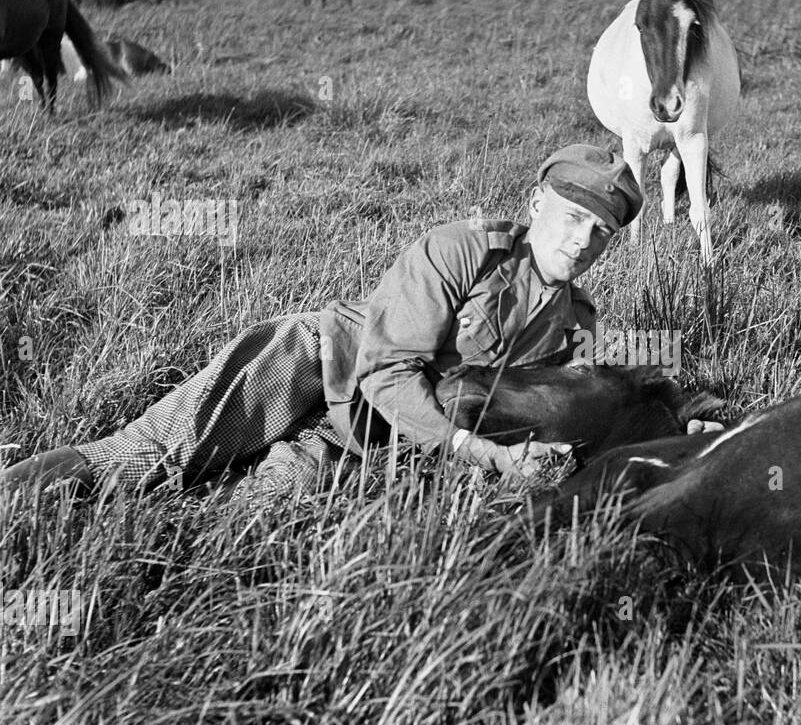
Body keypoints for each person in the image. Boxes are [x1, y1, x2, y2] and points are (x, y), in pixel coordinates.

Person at [0, 143, 715, 506]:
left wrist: (679, 428)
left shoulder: (574, 321)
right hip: (319, 363)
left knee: (260, 514)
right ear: (535, 204)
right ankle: (14, 496)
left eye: (599, 233)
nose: (579, 242)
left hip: (370, 438)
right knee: (155, 459)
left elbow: (562, 408)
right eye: (570, 219)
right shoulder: (461, 247)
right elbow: (388, 370)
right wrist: (476, 451)